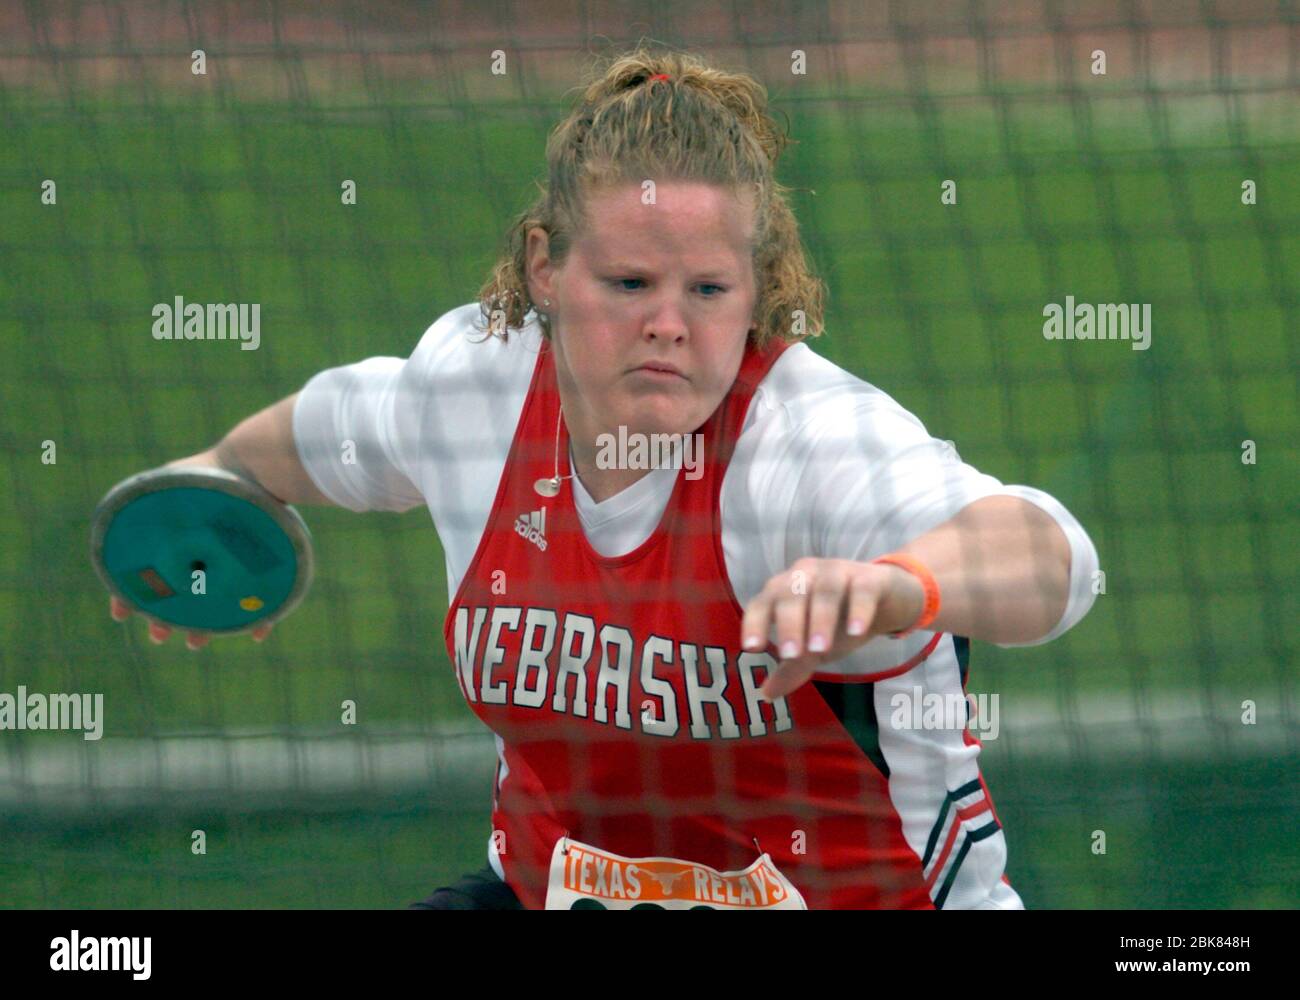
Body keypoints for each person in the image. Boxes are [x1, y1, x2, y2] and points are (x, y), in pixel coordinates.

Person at [110, 45, 1099, 909]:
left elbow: (1053, 559)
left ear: (755, 287)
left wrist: (896, 584)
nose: (668, 321)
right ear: (546, 266)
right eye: (628, 282)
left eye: (708, 289)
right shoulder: (475, 394)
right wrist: (202, 497)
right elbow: (291, 445)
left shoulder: (810, 442)